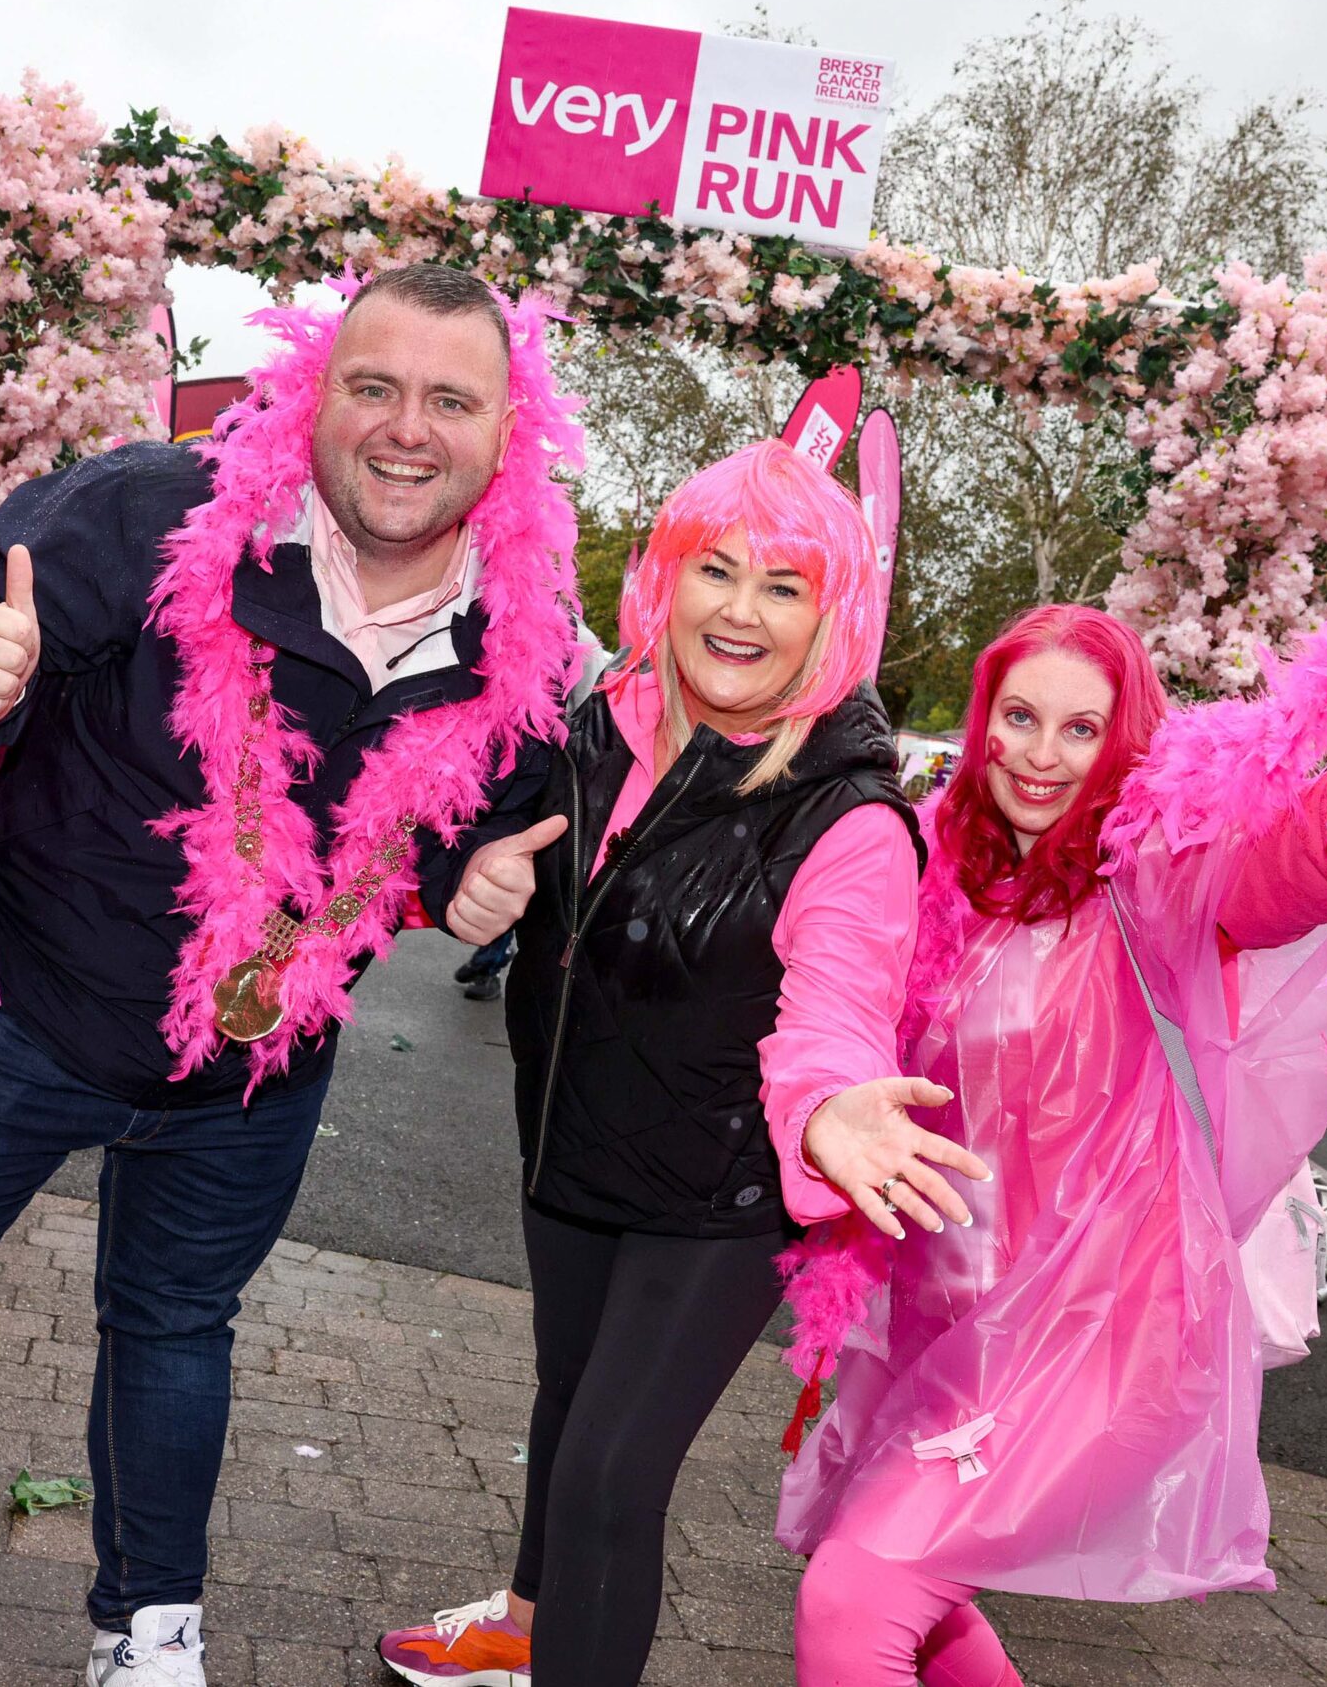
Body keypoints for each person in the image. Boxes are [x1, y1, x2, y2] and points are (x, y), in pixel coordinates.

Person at [0, 263, 586, 1687]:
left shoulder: (521, 642)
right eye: (371, 386)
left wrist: (470, 881)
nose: (405, 427)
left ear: (507, 428)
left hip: (252, 1073)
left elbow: (479, 824)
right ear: (316, 390)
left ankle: (149, 1637)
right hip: (15, 1022)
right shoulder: (149, 508)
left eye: (449, 399)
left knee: (178, 1331)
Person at [770, 548, 1327, 1686]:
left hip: (1100, 1322)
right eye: (1018, 717)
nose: (1039, 755)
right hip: (954, 1311)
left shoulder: (1150, 874)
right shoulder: (937, 870)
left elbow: (1279, 876)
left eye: (1080, 730)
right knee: (908, 1590)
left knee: (857, 1598)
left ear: (1124, 743)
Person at [378, 440, 927, 1687]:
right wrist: (463, 883)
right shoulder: (589, 729)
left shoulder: (847, 818)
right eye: (715, 571)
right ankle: (526, 1627)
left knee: (610, 1480)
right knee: (566, 1411)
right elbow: (444, 834)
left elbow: (836, 1006)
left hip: (720, 1198)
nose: (739, 610)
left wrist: (837, 1106)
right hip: (569, 1157)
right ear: (663, 579)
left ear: (828, 619)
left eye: (783, 588)